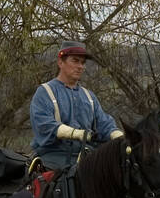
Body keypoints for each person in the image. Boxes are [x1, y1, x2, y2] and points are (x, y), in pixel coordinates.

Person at [29, 41, 123, 170]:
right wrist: (76, 134)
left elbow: (104, 123)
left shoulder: (89, 96)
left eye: (83, 62)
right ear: (60, 62)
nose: (80, 66)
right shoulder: (45, 92)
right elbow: (44, 124)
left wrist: (120, 136)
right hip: (53, 157)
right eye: (75, 61)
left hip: (87, 157)